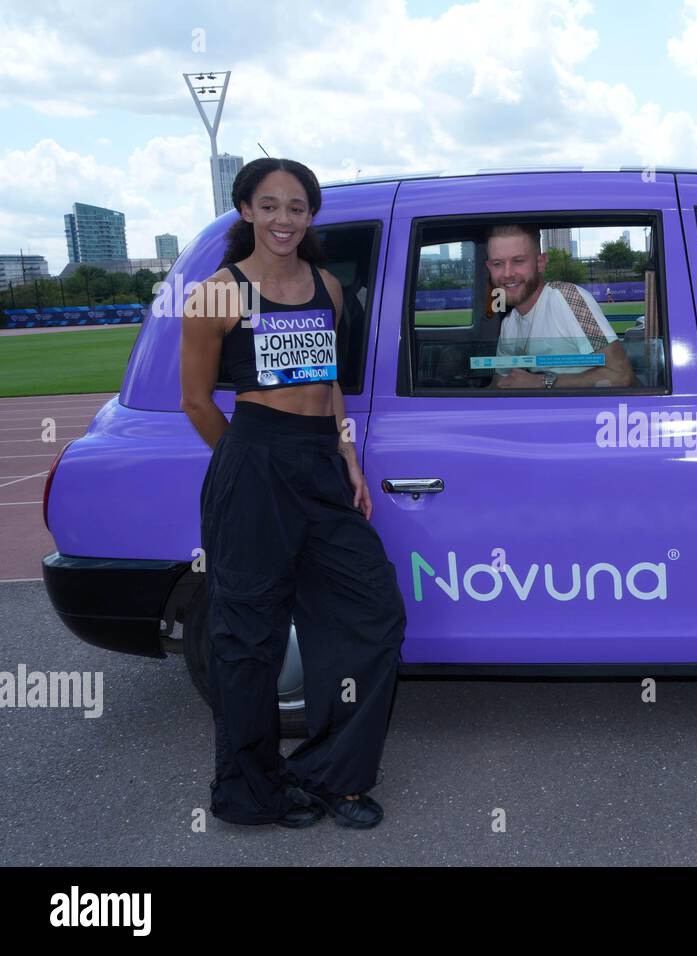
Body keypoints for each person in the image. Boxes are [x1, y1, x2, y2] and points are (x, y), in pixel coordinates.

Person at [180, 157, 406, 829]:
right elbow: (195, 401)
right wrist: (249, 468)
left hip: (320, 465)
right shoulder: (218, 293)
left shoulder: (328, 287)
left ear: (312, 216)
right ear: (246, 210)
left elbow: (331, 383)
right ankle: (249, 792)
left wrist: (346, 456)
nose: (284, 219)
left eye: (297, 207)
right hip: (253, 459)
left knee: (373, 613)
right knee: (248, 638)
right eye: (270, 205)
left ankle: (333, 775)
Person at [485, 225, 635, 388]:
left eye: (518, 261)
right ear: (489, 268)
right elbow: (500, 383)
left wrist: (540, 382)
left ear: (541, 263)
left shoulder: (570, 299)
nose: (507, 273)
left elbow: (621, 375)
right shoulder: (509, 324)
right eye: (498, 263)